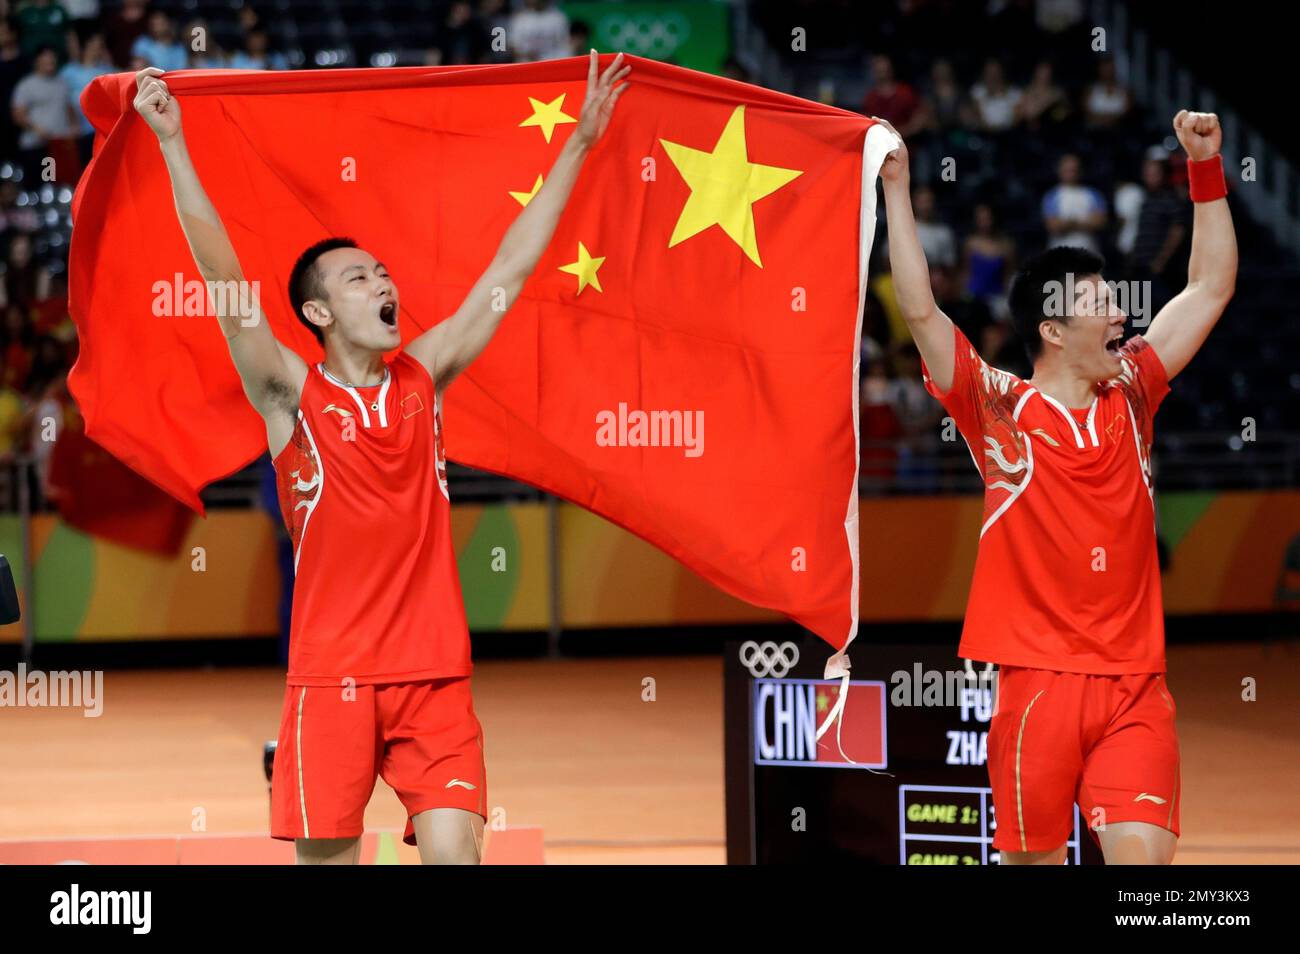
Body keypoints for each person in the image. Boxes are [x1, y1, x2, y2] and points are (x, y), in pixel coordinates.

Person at [131, 51, 629, 864]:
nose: (383, 282)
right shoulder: (289, 395)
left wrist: (577, 144)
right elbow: (222, 277)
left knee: (456, 857)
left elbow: (510, 266)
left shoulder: (424, 376)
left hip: (434, 674)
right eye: (360, 278)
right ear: (320, 310)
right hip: (331, 680)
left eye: (384, 272)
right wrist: (173, 144)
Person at [874, 110, 1236, 864]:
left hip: (1136, 684)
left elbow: (1208, 286)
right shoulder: (996, 406)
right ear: (1052, 328)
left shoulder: (1135, 387)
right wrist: (899, 190)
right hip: (1037, 684)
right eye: (1101, 305)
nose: (1119, 315)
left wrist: (1204, 168)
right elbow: (920, 311)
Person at [1042, 152, 1106, 254]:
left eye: (1074, 170)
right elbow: (1053, 226)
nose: (1071, 173)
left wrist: (1069, 223)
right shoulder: (1052, 195)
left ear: (1080, 171)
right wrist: (1085, 223)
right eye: (1067, 170)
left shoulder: (1093, 194)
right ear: (1060, 170)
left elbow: (1099, 223)